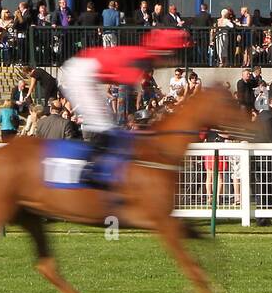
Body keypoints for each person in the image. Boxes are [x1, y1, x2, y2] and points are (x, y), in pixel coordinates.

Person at [58, 27, 192, 188]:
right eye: (176, 55)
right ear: (166, 52)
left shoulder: (145, 60)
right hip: (79, 73)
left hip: (86, 71)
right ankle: (88, 172)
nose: (176, 61)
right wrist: (126, 122)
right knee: (104, 124)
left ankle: (99, 167)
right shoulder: (140, 60)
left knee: (109, 124)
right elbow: (123, 97)